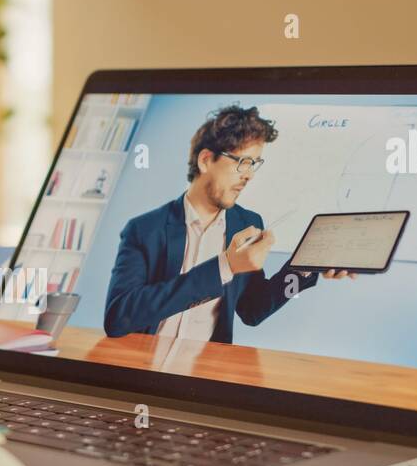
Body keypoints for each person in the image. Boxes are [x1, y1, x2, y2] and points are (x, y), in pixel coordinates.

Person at [104, 104, 354, 342]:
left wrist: (305, 267)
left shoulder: (247, 224)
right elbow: (117, 318)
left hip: (204, 375)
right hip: (143, 369)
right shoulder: (144, 229)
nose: (250, 175)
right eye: (242, 162)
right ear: (205, 160)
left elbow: (253, 311)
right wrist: (225, 266)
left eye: (255, 164)